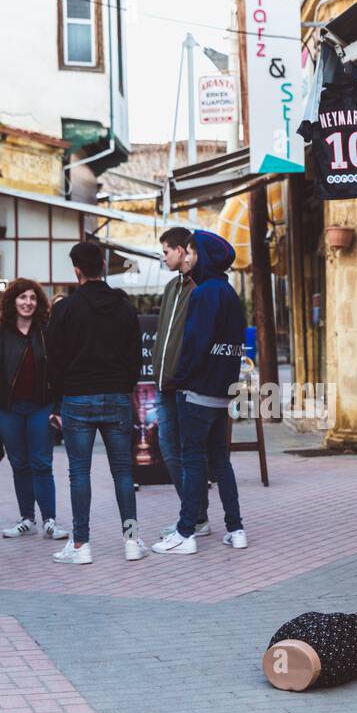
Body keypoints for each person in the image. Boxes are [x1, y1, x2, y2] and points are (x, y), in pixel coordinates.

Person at [46, 241, 145, 564]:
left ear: (77, 270)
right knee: (123, 473)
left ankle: (81, 545)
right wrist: (124, 386)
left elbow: (53, 360)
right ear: (102, 266)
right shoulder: (124, 306)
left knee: (79, 473)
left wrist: (58, 398)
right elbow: (135, 356)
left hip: (77, 397)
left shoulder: (65, 309)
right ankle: (131, 541)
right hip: (116, 395)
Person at [152, 230, 247, 556]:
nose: (188, 258)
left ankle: (185, 532)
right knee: (220, 461)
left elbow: (194, 343)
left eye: (192, 253)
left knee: (192, 460)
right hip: (221, 392)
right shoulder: (230, 294)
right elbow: (235, 346)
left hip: (197, 392)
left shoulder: (204, 293)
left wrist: (180, 378)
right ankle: (236, 529)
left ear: (203, 256)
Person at [0, 277, 68, 541]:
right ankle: (27, 519)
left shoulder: (46, 333)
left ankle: (49, 521)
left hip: (41, 407)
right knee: (19, 464)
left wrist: (59, 408)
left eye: (33, 298)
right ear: (12, 301)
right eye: (23, 297)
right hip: (7, 409)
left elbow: (60, 373)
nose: (28, 302)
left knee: (41, 463)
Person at [151, 226, 209, 538]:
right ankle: (195, 514)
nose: (164, 257)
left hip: (187, 384)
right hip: (164, 383)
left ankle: (196, 518)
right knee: (168, 448)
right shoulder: (171, 287)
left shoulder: (200, 287)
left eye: (166, 251)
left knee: (189, 452)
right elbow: (164, 333)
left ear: (181, 251)